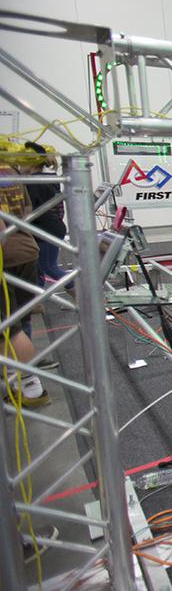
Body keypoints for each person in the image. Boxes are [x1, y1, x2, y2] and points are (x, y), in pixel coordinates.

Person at [0, 143, 50, 408]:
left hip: (7, 255)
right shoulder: (13, 174)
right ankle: (29, 383)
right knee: (19, 321)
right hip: (25, 247)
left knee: (9, 327)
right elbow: (27, 213)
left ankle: (27, 384)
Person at [21, 143, 70, 288]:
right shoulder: (49, 179)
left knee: (49, 267)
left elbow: (30, 210)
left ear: (29, 164)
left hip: (46, 230)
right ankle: (37, 302)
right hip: (51, 228)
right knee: (39, 269)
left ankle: (86, 295)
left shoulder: (33, 182)